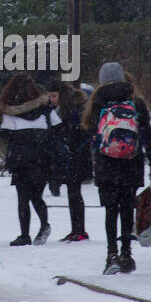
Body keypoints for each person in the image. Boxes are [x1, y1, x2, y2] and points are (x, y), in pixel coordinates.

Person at [83, 62, 151, 275]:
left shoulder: (97, 101)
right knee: (127, 209)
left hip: (106, 164)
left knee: (110, 210)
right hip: (131, 163)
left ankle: (111, 254)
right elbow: (146, 135)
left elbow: (92, 134)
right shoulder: (136, 102)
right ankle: (126, 253)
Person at [0, 74, 62, 246]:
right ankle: (44, 225)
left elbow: (5, 134)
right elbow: (58, 130)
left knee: (23, 198)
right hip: (42, 159)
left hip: (20, 160)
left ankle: (24, 234)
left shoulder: (10, 112)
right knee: (37, 196)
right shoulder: (47, 111)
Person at [46, 78, 92, 242]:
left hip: (76, 157)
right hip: (68, 156)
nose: (51, 100)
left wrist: (70, 146)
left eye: (54, 96)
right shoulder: (57, 110)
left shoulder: (73, 110)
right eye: (49, 96)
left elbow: (82, 133)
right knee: (72, 193)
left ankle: (79, 230)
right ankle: (76, 229)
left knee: (75, 193)